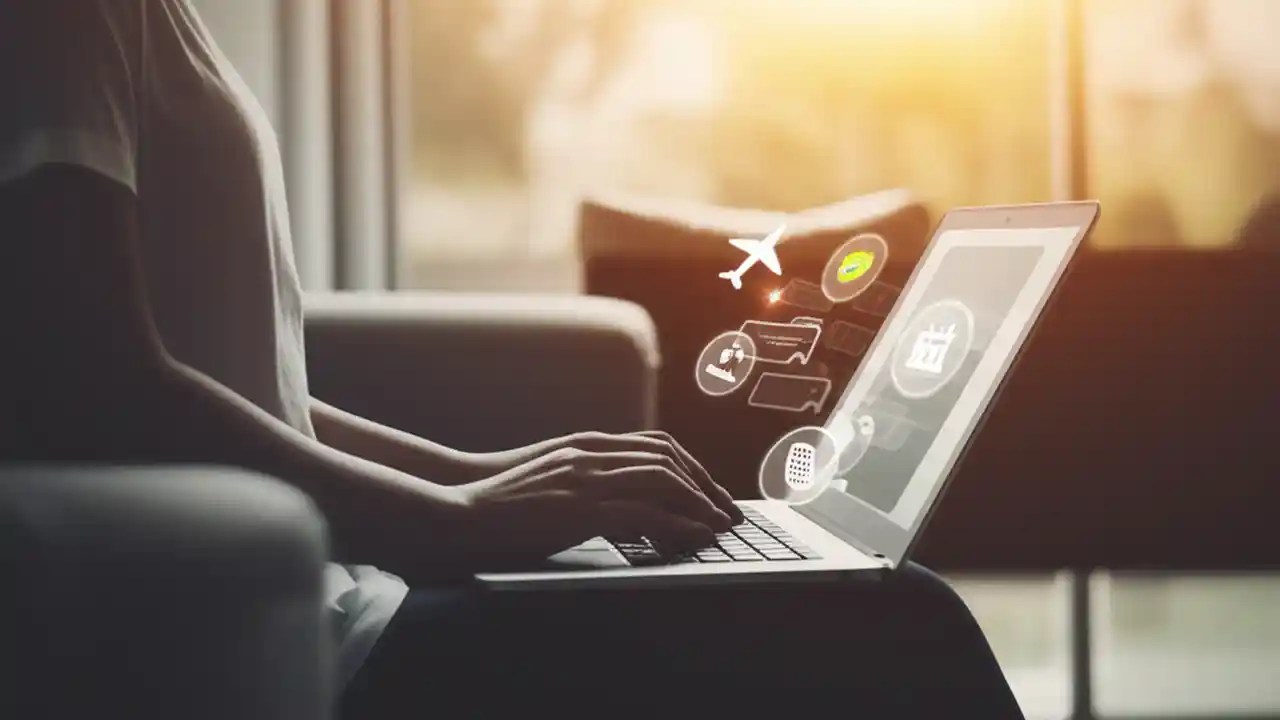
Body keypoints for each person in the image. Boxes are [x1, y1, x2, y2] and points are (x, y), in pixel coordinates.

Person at [0, 1, 1023, 716]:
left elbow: (244, 384)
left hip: (347, 600)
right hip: (311, 647)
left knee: (878, 607)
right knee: (897, 625)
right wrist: (452, 524)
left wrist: (484, 479)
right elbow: (92, 385)